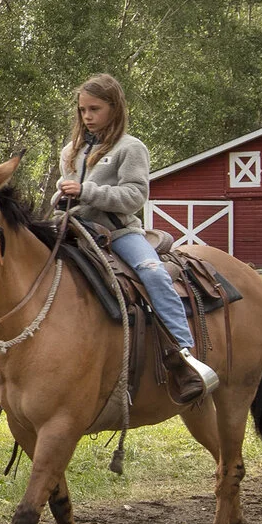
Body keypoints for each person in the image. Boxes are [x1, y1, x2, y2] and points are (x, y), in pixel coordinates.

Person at [55, 73, 223, 403]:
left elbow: (134, 196)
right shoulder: (70, 151)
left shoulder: (131, 148)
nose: (87, 116)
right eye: (82, 110)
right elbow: (66, 190)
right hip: (75, 229)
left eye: (95, 109)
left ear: (114, 109)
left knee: (152, 272)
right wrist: (60, 198)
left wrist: (86, 190)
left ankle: (184, 356)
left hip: (118, 233)